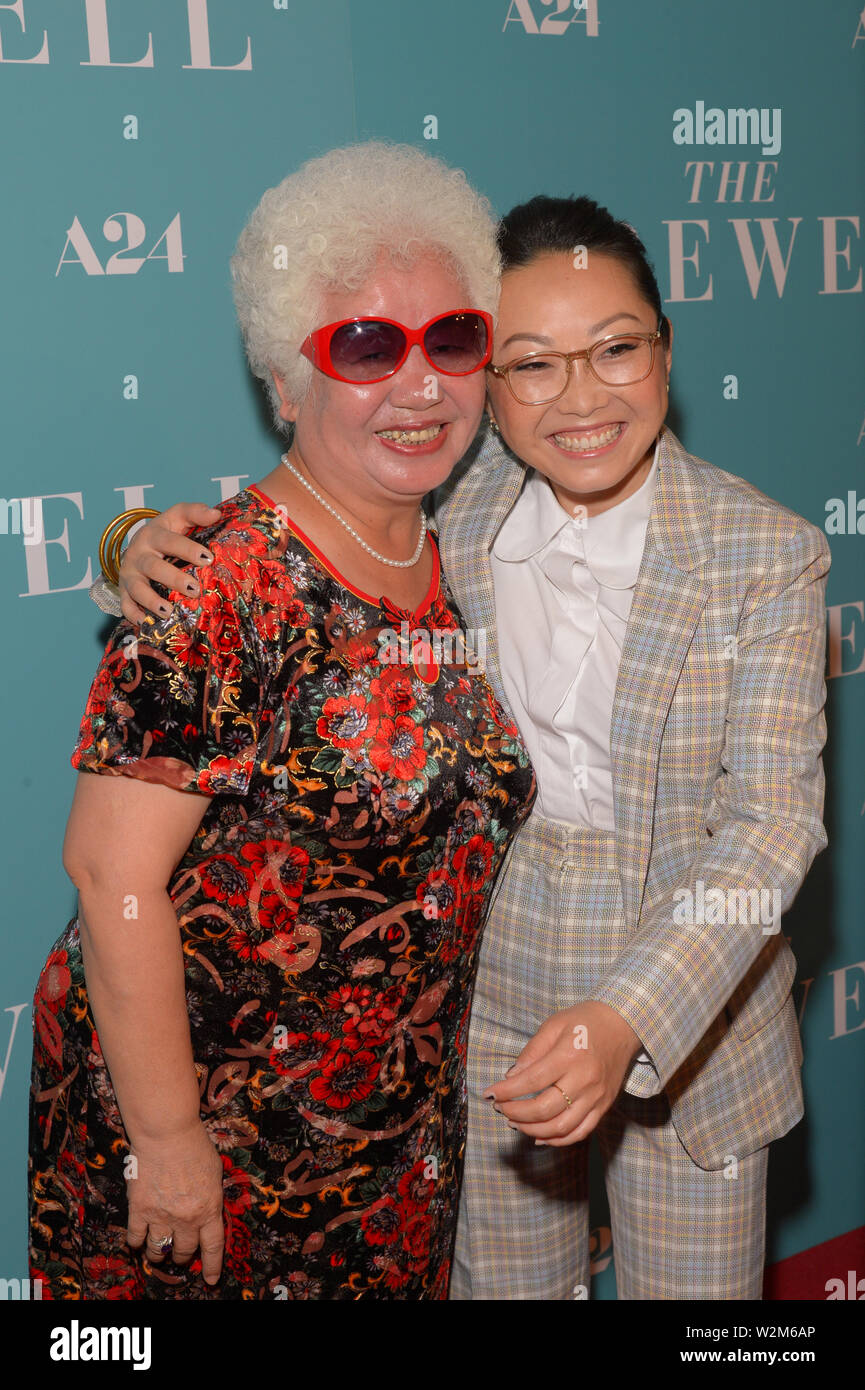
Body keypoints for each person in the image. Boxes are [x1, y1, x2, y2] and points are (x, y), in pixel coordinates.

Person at [97, 194, 830, 1301]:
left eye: (617, 350)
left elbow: (771, 828)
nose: (580, 399)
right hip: (486, 990)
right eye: (532, 365)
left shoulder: (766, 554)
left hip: (699, 995)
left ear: (667, 352)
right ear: (489, 383)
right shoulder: (452, 511)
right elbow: (292, 537)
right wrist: (133, 543)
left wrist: (627, 1010)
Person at [28, 142, 536, 1301]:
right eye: (364, 346)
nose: (420, 385)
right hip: (204, 1142)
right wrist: (167, 1144)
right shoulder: (219, 585)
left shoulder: (465, 546)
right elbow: (108, 867)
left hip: (389, 1133)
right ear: (281, 381)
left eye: (452, 338)